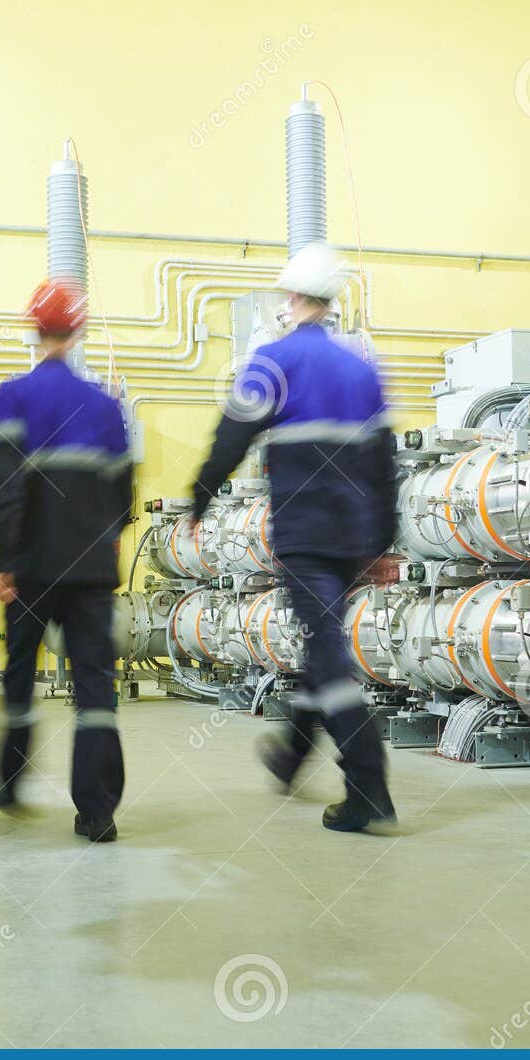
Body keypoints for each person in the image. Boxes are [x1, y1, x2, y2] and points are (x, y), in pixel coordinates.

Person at [190, 243, 400, 834]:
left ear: (291, 299)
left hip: (304, 535)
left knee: (326, 652)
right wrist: (382, 542)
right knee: (321, 640)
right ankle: (289, 757)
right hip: (354, 537)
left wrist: (201, 498)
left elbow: (231, 437)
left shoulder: (272, 361)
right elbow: (386, 464)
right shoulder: (361, 371)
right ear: (331, 302)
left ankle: (369, 784)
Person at [0, 278, 133, 842]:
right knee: (95, 687)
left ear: (35, 328)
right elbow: (124, 494)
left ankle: (9, 781)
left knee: (21, 672)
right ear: (77, 330)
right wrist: (103, 538)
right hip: (92, 571)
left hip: (31, 569)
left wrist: (4, 561)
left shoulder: (15, 396)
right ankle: (98, 813)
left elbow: (5, 487)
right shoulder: (105, 405)